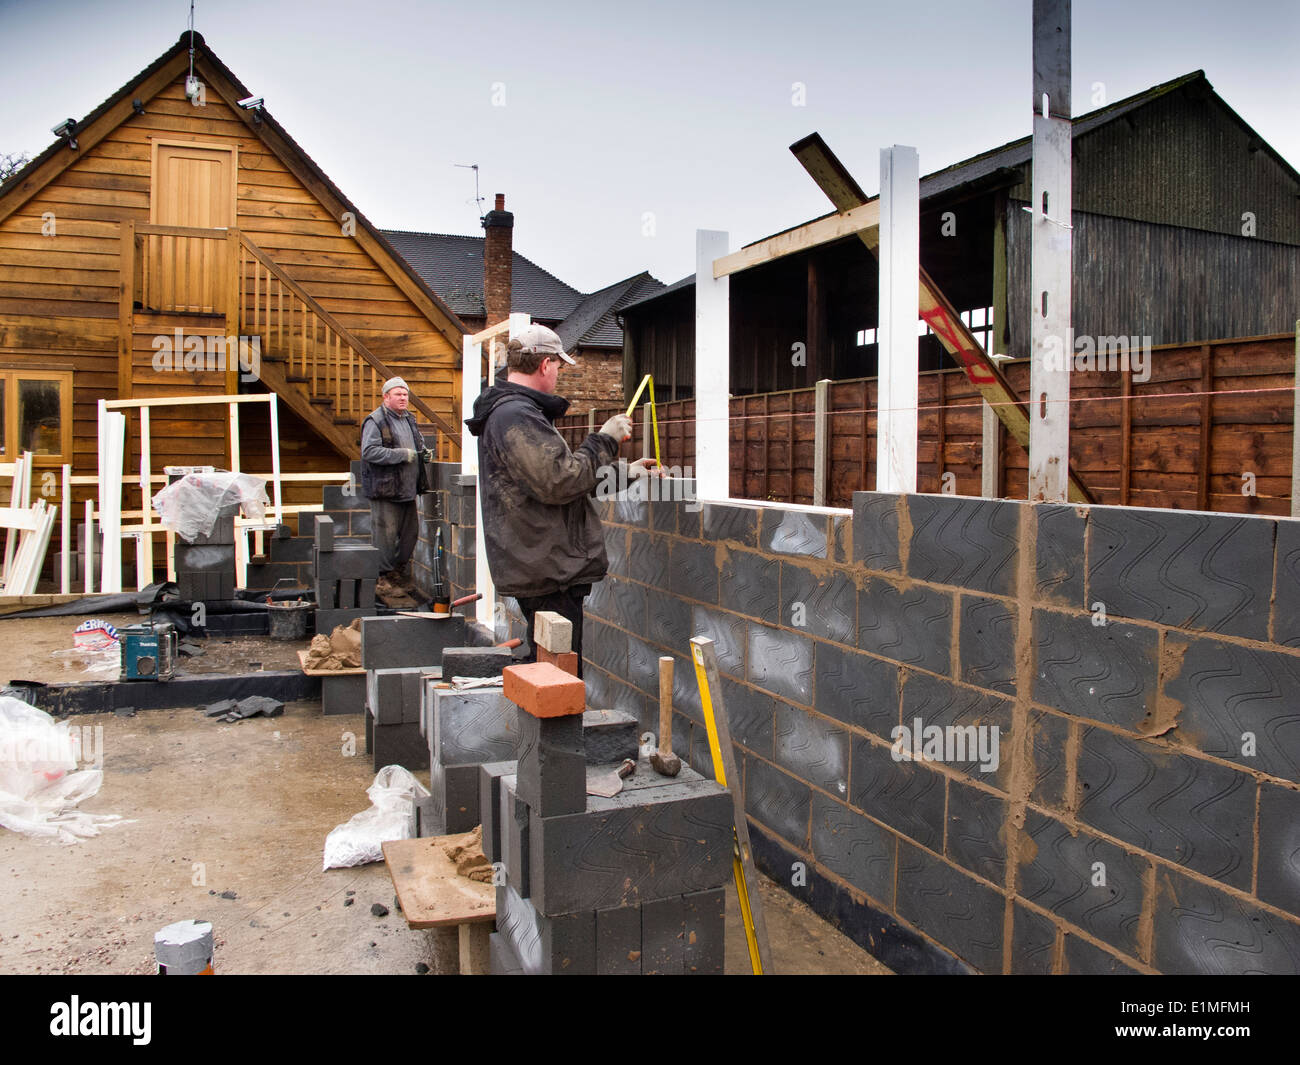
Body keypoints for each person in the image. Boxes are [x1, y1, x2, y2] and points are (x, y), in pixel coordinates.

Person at [465, 324, 656, 674]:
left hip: (542, 564)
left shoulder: (519, 412)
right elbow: (559, 480)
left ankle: (546, 726)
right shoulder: (515, 415)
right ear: (545, 365)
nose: (559, 374)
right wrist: (604, 440)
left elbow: (563, 478)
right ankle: (559, 729)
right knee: (559, 677)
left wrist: (626, 472)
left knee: (548, 670)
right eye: (559, 366)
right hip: (546, 568)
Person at [360, 376, 431, 600]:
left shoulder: (408, 419)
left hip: (407, 490)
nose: (403, 398)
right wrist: (402, 454)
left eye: (405, 394)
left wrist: (423, 454)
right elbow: (369, 451)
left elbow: (416, 444)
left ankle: (398, 574)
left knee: (410, 535)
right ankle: (383, 580)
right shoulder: (375, 420)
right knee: (386, 538)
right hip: (385, 491)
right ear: (386, 397)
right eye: (398, 394)